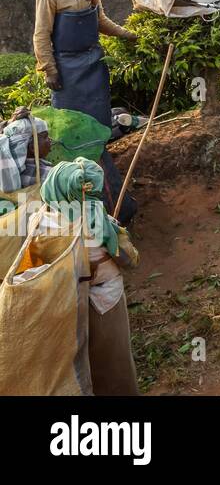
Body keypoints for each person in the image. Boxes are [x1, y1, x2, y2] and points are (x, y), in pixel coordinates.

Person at [38, 157, 139, 394]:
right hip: (103, 300)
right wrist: (114, 230)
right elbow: (127, 258)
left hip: (62, 302)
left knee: (79, 363)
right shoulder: (95, 220)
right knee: (113, 361)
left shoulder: (40, 220)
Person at [34, 0, 139, 129]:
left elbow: (100, 20)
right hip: (66, 64)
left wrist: (127, 35)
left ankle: (103, 148)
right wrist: (50, 70)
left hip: (93, 59)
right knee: (68, 115)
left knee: (98, 107)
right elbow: (41, 34)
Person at [0, 109, 48, 194]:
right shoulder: (45, 174)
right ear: (32, 147)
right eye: (45, 137)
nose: (50, 140)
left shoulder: (8, 171)